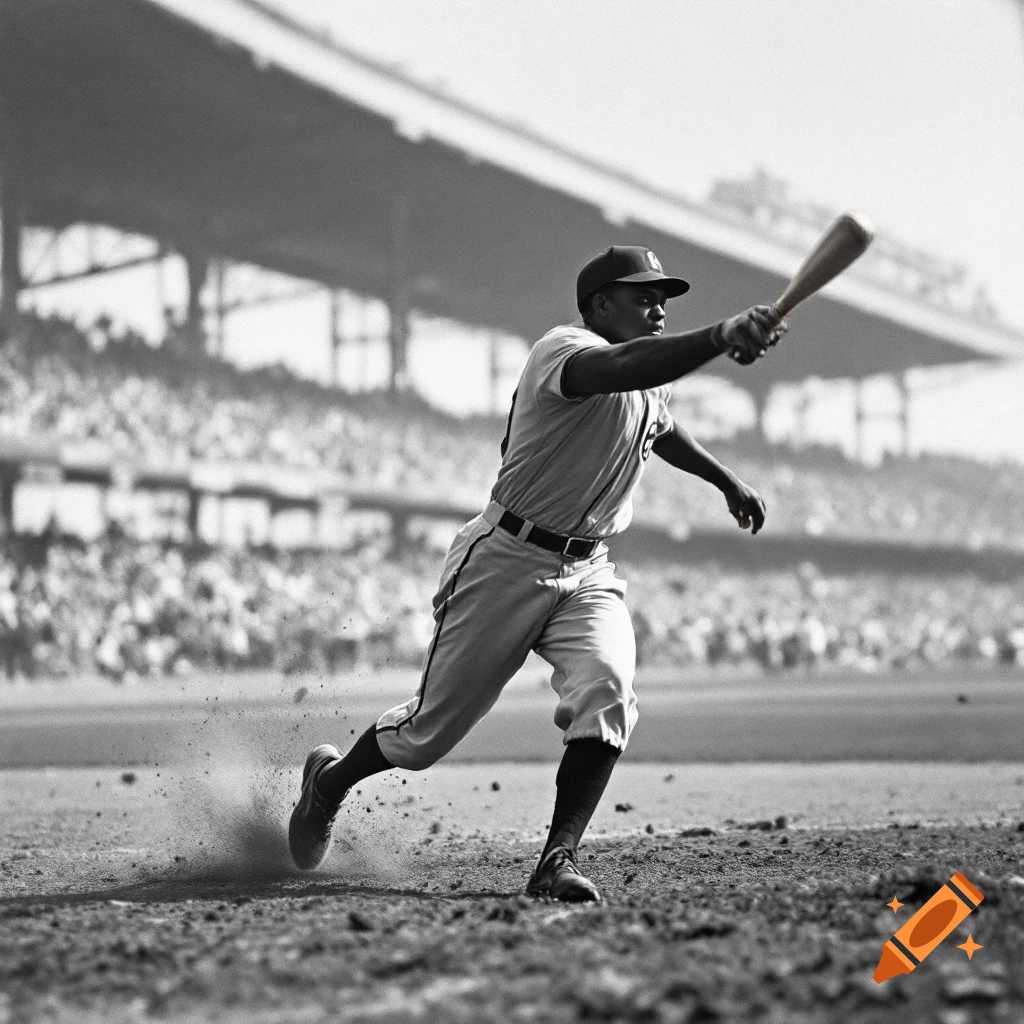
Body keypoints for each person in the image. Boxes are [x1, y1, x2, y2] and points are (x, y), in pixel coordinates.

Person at [289, 245, 785, 901]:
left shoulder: (646, 379)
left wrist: (726, 480)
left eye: (663, 296)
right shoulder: (563, 350)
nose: (659, 306)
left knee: (608, 692)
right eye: (643, 296)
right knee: (424, 736)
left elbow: (660, 426)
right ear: (599, 305)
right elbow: (624, 367)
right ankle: (329, 782)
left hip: (590, 567)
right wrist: (722, 336)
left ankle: (557, 860)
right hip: (507, 560)